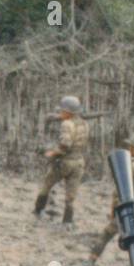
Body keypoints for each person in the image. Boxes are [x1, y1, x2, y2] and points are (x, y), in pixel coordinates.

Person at [90, 132, 134, 261]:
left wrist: (113, 212)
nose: (129, 149)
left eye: (130, 147)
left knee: (107, 233)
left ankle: (92, 259)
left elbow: (117, 194)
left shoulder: (130, 168)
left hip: (131, 208)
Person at [33, 94, 90, 226]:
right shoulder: (84, 123)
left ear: (68, 112)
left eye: (62, 111)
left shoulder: (67, 124)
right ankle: (67, 221)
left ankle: (38, 211)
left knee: (46, 185)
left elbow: (65, 145)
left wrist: (51, 153)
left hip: (65, 162)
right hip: (79, 162)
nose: (60, 113)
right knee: (70, 195)